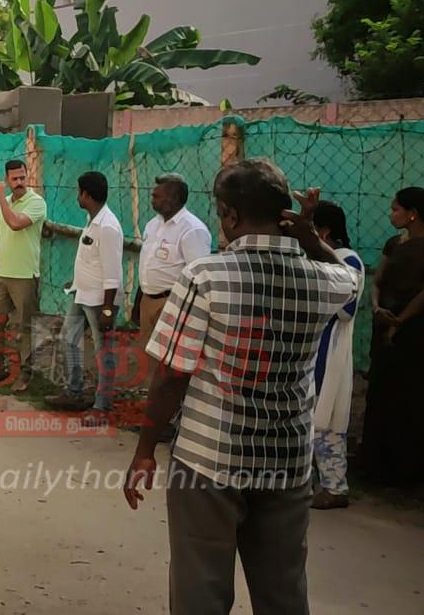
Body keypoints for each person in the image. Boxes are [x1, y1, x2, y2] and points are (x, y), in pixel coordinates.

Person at [123, 159, 358, 615]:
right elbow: (352, 282)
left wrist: (145, 449)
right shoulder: (323, 278)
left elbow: (171, 375)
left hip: (210, 458)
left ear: (229, 215)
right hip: (287, 461)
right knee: (283, 590)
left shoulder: (206, 276)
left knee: (201, 590)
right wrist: (309, 240)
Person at [360, 187, 424, 489]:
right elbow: (378, 281)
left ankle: (410, 472)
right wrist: (378, 309)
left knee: (413, 400)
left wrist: (401, 320)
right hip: (386, 329)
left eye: (396, 210)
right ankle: (378, 467)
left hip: (418, 335)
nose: (391, 215)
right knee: (382, 396)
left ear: (413, 212)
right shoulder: (394, 244)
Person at [46, 172, 123, 419]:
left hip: (101, 300)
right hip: (82, 294)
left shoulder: (108, 227)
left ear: (87, 195)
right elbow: (92, 261)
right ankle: (73, 391)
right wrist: (77, 281)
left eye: (79, 192)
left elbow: (113, 273)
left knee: (103, 352)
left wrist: (108, 310)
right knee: (70, 339)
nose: (77, 196)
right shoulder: (93, 221)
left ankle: (102, 405)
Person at [310, 201, 365, 510]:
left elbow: (346, 309)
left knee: (327, 415)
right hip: (315, 345)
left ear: (324, 231)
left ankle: (335, 486)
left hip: (328, 349)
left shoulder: (348, 261)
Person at [0, 159, 47, 386]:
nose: (19, 182)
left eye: (22, 177)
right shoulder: (7, 203)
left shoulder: (36, 203)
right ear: (7, 180)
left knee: (27, 327)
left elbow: (16, 224)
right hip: (3, 274)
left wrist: (0, 198)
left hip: (25, 275)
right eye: (14, 178)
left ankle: (27, 374)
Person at [133, 173, 212, 343]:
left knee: (169, 361)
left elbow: (199, 279)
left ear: (174, 198)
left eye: (157, 196)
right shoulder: (152, 225)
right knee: (148, 358)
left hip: (172, 303)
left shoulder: (192, 230)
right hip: (148, 301)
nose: (152, 198)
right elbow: (147, 263)